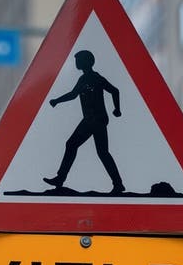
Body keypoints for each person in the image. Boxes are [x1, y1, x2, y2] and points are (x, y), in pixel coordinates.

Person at [43, 49, 125, 193]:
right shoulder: (83, 79)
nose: (76, 62)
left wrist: (117, 109)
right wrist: (57, 101)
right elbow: (73, 94)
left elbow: (115, 90)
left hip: (96, 120)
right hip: (90, 120)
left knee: (81, 147)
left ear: (86, 62)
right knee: (98, 151)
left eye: (78, 60)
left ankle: (61, 178)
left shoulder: (95, 77)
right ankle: (118, 184)